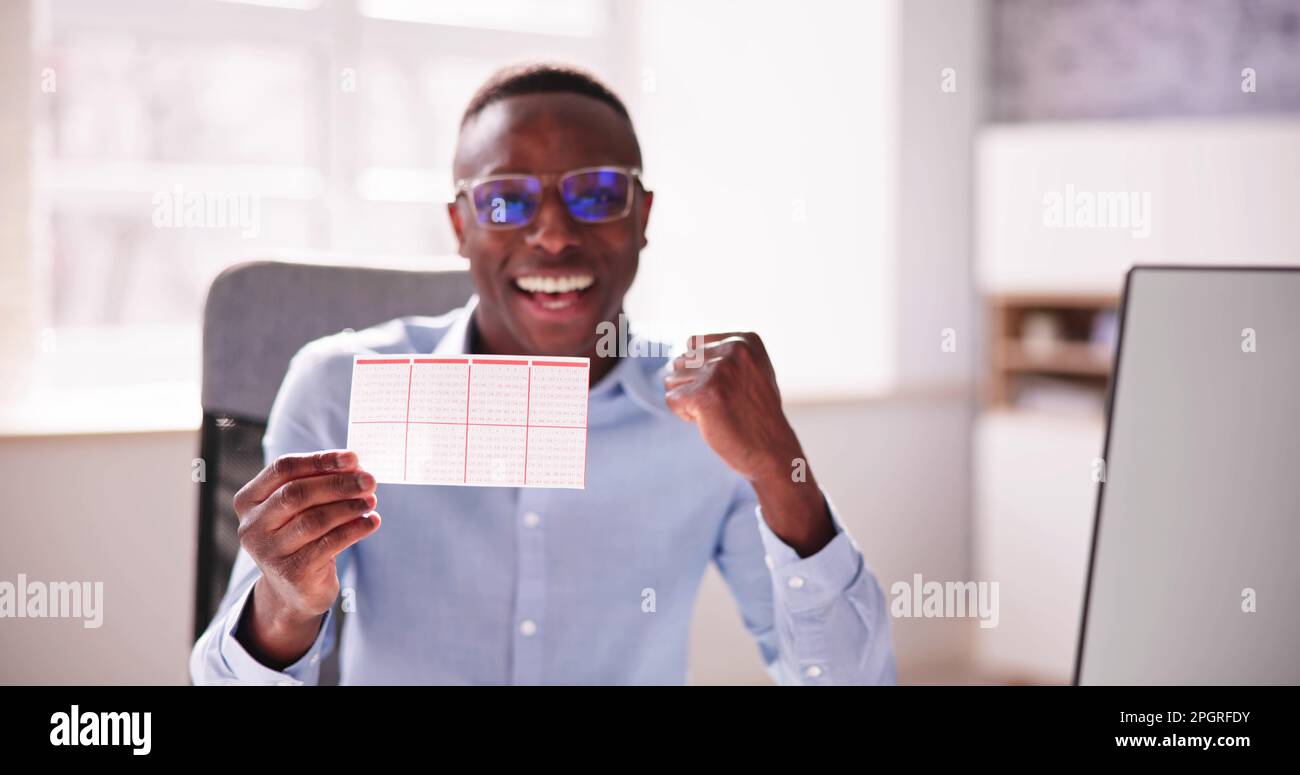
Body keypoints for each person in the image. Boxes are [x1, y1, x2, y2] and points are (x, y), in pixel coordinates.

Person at [190, 63, 895, 685]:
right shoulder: (334, 389)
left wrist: (783, 470)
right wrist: (285, 603)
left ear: (643, 216)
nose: (555, 234)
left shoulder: (712, 420)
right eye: (506, 200)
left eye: (596, 193)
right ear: (460, 223)